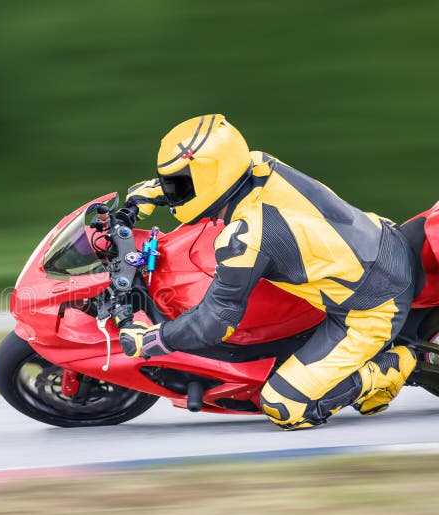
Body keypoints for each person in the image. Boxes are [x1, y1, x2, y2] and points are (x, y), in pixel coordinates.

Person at [117, 113, 417, 430]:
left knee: (283, 405)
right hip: (379, 237)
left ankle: (388, 370)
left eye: (179, 186)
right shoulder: (258, 164)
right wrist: (153, 195)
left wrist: (153, 340)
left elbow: (215, 322)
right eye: (171, 184)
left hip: (372, 306)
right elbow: (213, 185)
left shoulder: (247, 237)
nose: (173, 192)